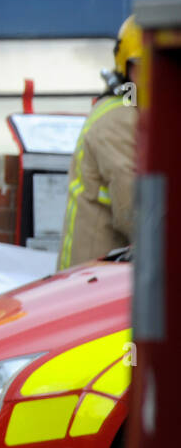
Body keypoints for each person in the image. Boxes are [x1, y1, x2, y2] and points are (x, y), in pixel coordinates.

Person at [58, 15, 141, 268]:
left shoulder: (136, 113)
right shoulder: (120, 117)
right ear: (127, 68)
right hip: (93, 284)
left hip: (100, 279)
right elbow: (135, 212)